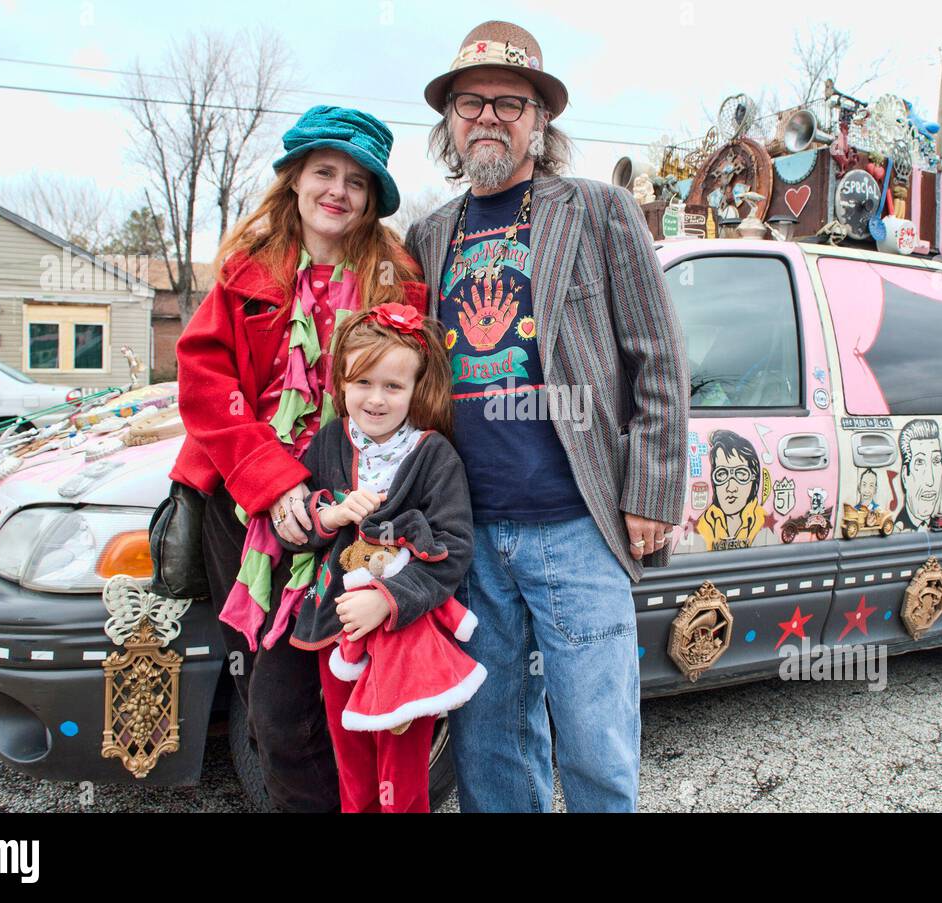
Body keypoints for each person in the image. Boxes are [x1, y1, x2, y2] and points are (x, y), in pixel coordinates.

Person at [403, 20, 689, 812]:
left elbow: (658, 356)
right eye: (470, 103)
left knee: (596, 743)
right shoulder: (430, 235)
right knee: (490, 742)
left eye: (510, 102)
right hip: (468, 534)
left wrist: (651, 492)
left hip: (576, 527)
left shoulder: (598, 212)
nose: (488, 117)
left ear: (540, 121)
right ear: (449, 123)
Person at [170, 105, 426, 812]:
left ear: (372, 197)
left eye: (356, 180)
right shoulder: (247, 270)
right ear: (295, 179)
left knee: (356, 694)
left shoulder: (398, 281)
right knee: (275, 709)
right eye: (324, 172)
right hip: (250, 510)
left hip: (356, 514)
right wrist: (274, 483)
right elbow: (205, 378)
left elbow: (417, 395)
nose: (337, 190)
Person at [272, 303, 480, 813]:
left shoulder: (434, 456)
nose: (377, 399)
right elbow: (296, 534)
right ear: (342, 381)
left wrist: (388, 601)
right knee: (353, 767)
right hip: (334, 627)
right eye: (363, 382)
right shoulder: (328, 444)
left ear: (416, 389)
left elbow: (453, 548)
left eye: (393, 386)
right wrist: (334, 514)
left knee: (402, 773)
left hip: (404, 637)